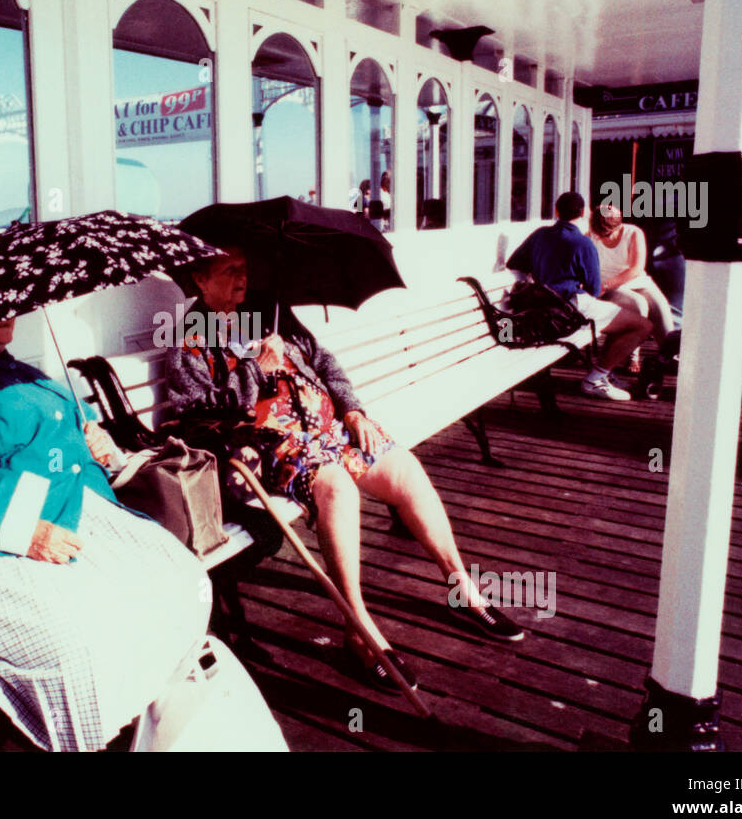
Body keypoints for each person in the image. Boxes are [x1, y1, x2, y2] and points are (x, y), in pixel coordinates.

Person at [166, 248, 525, 689]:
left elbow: (326, 362)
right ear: (200, 280)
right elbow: (196, 410)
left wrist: (353, 411)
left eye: (245, 268)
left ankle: (461, 589)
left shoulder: (269, 312)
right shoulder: (189, 336)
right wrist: (256, 371)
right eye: (230, 271)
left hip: (330, 430)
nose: (243, 279)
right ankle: (359, 631)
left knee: (404, 468)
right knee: (337, 487)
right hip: (273, 445)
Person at [0, 317, 211, 751]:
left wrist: (99, 442)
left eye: (10, 308)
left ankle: (158, 728)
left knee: (181, 581)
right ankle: (85, 742)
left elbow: (67, 438)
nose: (8, 321)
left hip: (64, 518)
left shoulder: (23, 373)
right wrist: (22, 531)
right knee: (76, 637)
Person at [507, 192, 651, 401]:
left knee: (618, 319)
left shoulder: (539, 234)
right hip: (570, 308)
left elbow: (514, 263)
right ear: (583, 213)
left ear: (557, 211)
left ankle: (604, 374)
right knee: (642, 326)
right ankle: (596, 379)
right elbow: (593, 290)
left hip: (542, 307)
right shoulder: (583, 243)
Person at [588, 203, 674, 372]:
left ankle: (670, 358)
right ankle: (632, 356)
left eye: (608, 232)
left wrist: (606, 285)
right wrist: (601, 286)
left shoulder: (633, 232)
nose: (606, 237)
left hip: (634, 281)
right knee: (639, 305)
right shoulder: (590, 236)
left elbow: (636, 268)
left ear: (619, 225)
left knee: (662, 313)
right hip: (609, 287)